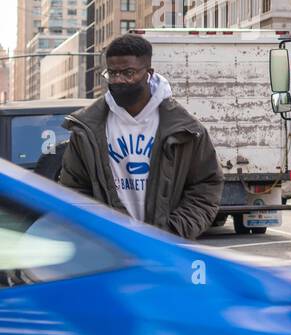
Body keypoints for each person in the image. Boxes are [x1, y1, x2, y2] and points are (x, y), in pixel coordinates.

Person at [59, 34, 222, 240]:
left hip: (165, 251)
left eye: (128, 73)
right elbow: (73, 189)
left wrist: (174, 232)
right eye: (112, 73)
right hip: (109, 249)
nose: (119, 80)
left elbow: (206, 185)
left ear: (149, 73)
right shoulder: (87, 128)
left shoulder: (185, 128)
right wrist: (99, 232)